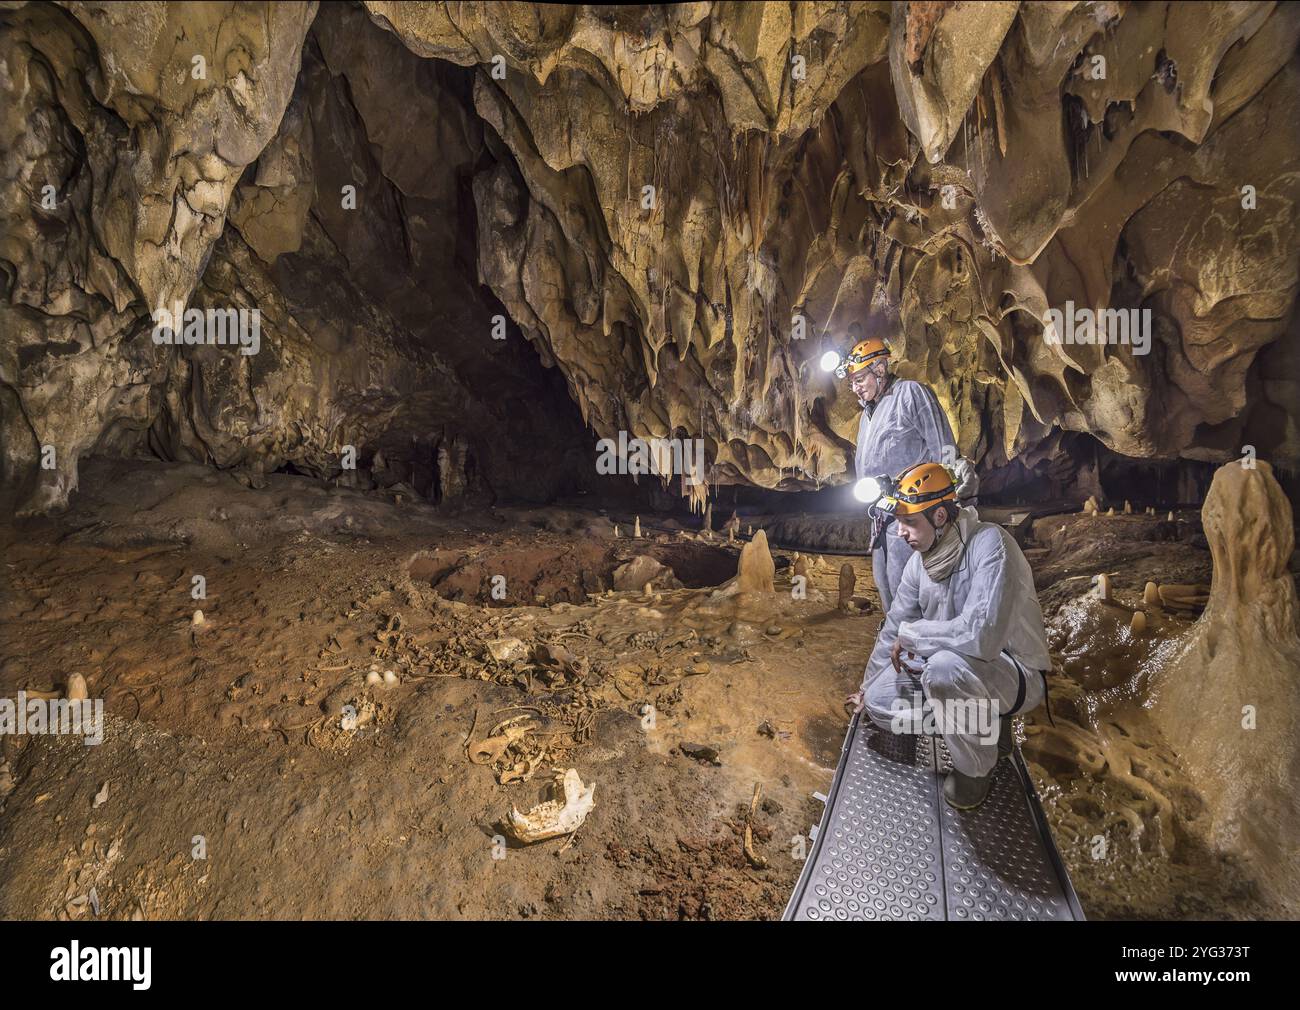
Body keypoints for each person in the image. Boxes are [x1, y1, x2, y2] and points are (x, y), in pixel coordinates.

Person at [845, 462, 1051, 810]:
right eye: (898, 521)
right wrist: (866, 687)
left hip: (1013, 672)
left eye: (909, 522)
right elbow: (894, 627)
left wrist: (915, 636)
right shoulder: (920, 563)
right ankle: (981, 722)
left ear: (939, 516)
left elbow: (982, 636)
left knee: (943, 669)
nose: (900, 532)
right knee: (880, 705)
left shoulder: (991, 546)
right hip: (958, 667)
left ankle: (975, 769)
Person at [838, 337, 974, 612]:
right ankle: (896, 635)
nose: (855, 388)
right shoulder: (867, 416)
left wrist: (946, 504)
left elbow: (944, 449)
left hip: (914, 511)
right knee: (885, 583)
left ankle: (922, 635)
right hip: (881, 515)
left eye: (860, 379)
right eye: (852, 382)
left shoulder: (910, 394)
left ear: (879, 369)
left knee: (910, 586)